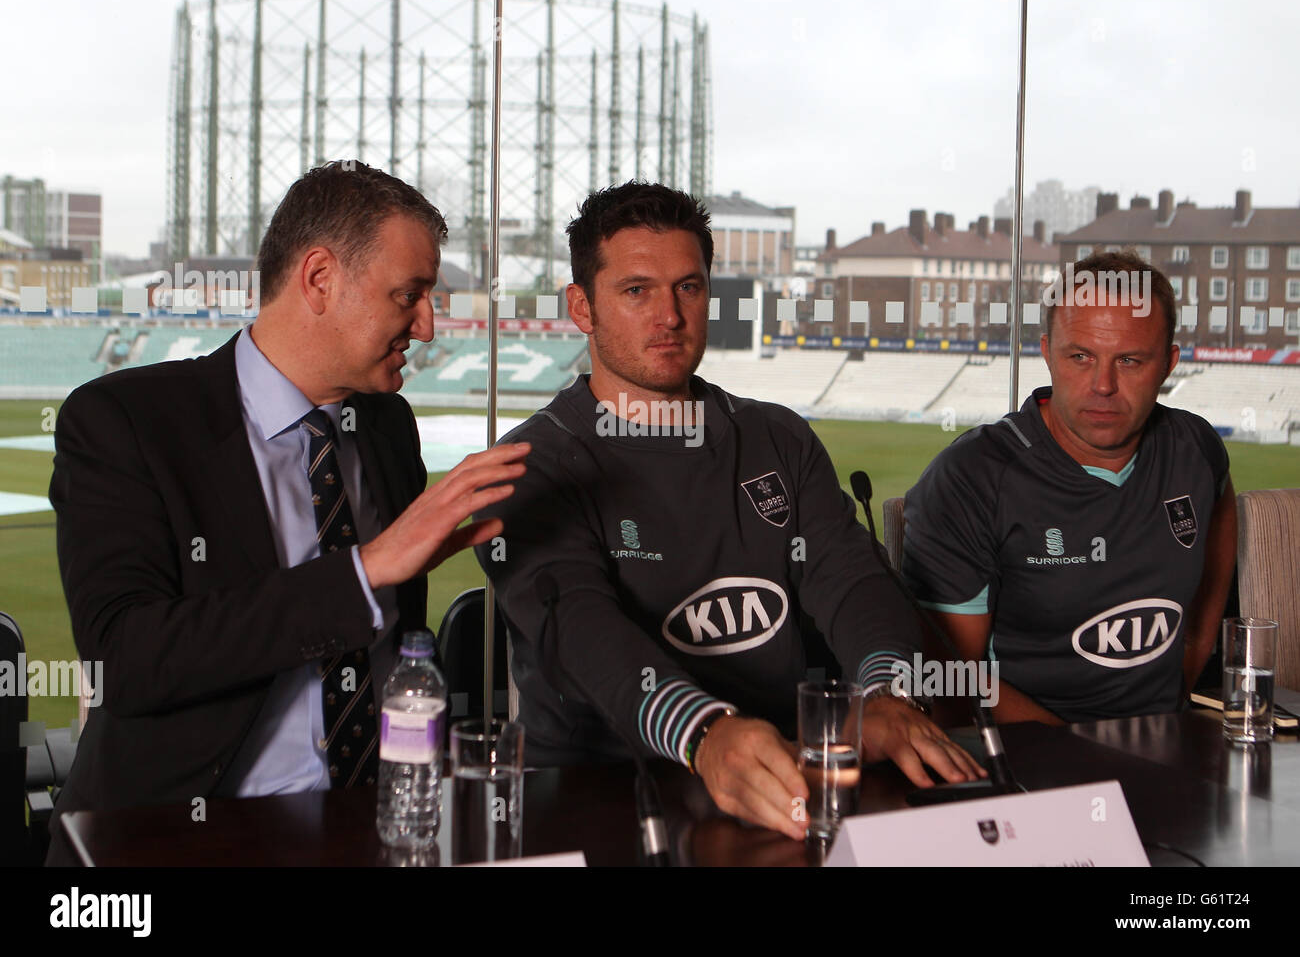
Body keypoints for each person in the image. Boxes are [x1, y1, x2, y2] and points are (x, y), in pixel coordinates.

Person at [45, 161, 528, 864]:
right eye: (409, 294)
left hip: (376, 833)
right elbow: (127, 658)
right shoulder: (124, 420)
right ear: (320, 278)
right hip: (179, 842)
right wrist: (363, 572)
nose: (427, 325)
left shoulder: (388, 427)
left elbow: (394, 653)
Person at [475, 181, 982, 841]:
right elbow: (583, 630)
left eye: (688, 287)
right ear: (582, 307)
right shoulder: (528, 466)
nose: (669, 316)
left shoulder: (777, 439)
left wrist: (886, 692)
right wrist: (705, 734)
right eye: (637, 291)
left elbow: (853, 577)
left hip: (784, 790)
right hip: (596, 801)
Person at [902, 249, 1236, 725]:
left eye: (1130, 360)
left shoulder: (1196, 448)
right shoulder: (972, 477)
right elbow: (948, 678)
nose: (1102, 385)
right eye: (1080, 357)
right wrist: (1084, 754)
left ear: (1168, 363)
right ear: (1046, 354)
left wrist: (1168, 708)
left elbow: (1208, 600)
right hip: (1029, 759)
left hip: (1170, 751)